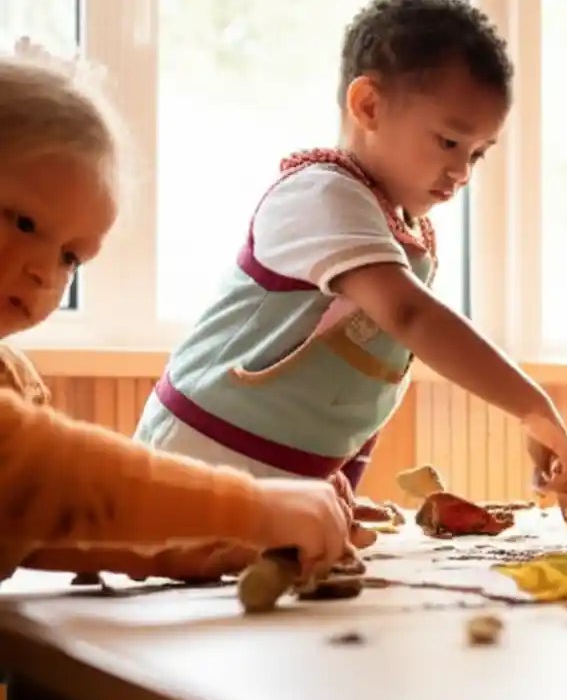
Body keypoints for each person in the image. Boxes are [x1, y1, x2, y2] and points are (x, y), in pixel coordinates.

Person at [132, 0, 567, 493]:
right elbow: (411, 318)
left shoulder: (401, 232)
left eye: (477, 155)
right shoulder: (322, 194)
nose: (461, 173)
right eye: (447, 142)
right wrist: (533, 408)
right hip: (196, 457)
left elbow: (356, 392)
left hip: (280, 485)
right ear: (369, 106)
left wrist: (337, 490)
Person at [0, 45, 351, 582]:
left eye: (71, 256)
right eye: (24, 224)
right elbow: (34, 472)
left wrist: (171, 552)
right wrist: (252, 507)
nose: (45, 273)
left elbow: (29, 526)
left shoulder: (14, 380)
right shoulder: (20, 434)